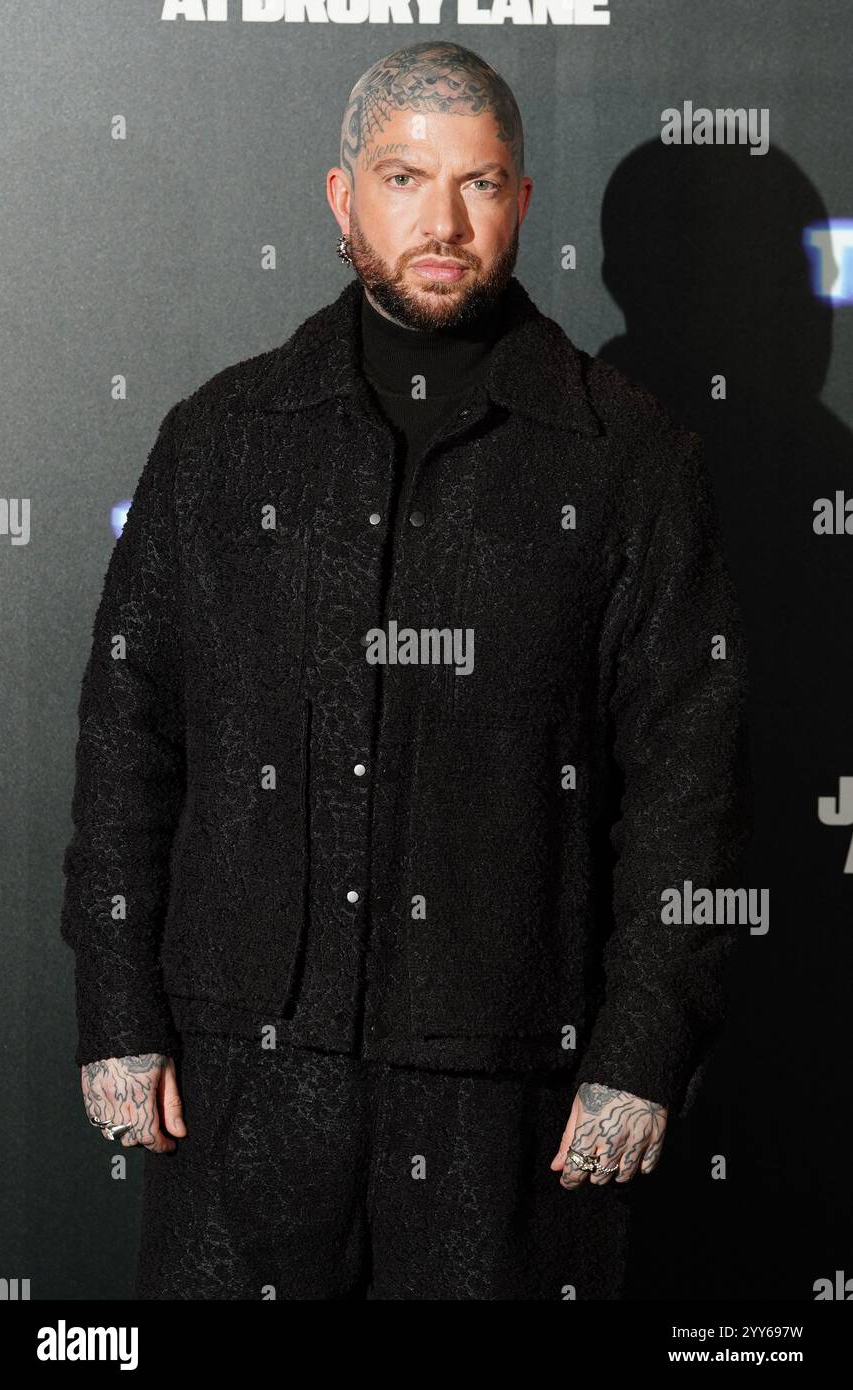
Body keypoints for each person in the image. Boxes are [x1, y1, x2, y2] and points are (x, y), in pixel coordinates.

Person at [61, 40, 752, 1300]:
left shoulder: (628, 458)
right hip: (244, 1080)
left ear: (524, 203)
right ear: (340, 198)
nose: (442, 221)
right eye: (402, 177)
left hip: (509, 1093)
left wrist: (641, 1048)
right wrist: (116, 1017)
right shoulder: (219, 440)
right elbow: (128, 742)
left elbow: (685, 787)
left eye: (479, 184)